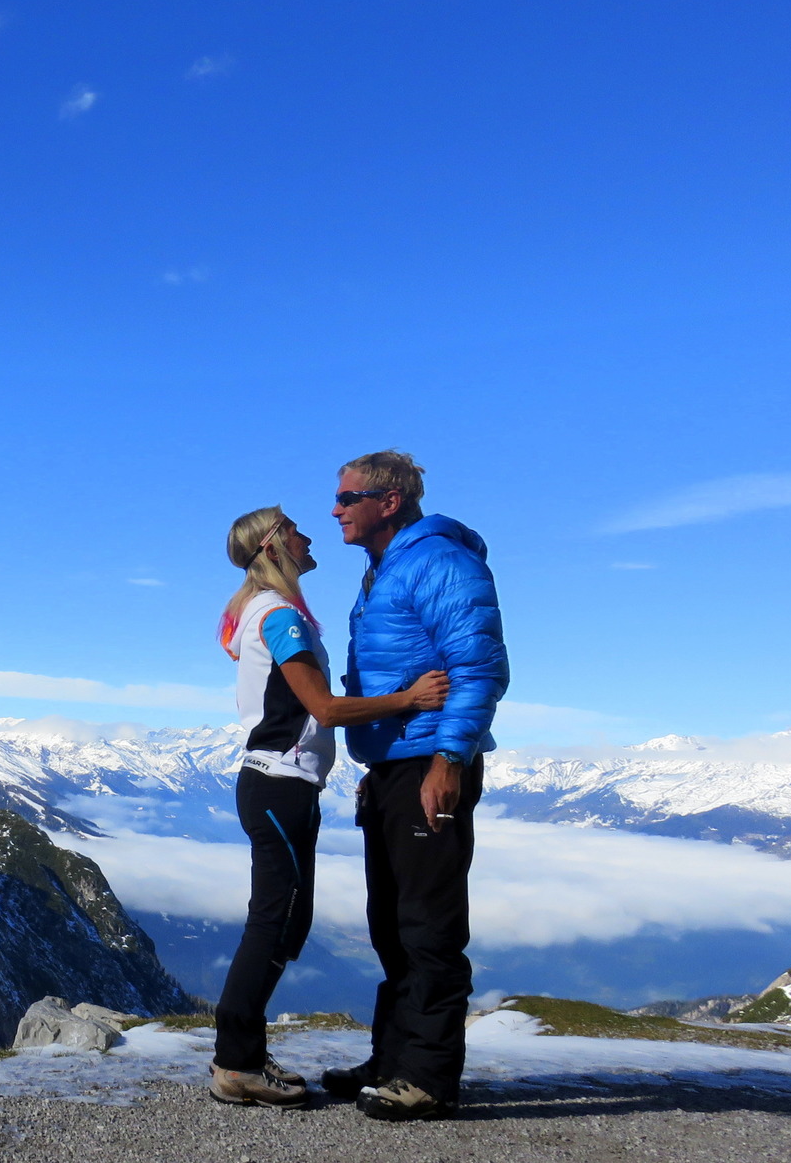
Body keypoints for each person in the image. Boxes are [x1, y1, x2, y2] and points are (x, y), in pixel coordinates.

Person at [208, 505, 450, 1109]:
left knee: (287, 924)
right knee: (273, 923)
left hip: (283, 787)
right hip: (280, 785)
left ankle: (241, 1055)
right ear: (274, 545)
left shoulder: (266, 611)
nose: (308, 533)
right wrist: (410, 699)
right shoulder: (282, 617)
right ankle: (235, 1062)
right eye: (293, 528)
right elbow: (326, 709)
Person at [321, 451, 509, 1122]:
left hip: (429, 763)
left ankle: (427, 1076)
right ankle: (393, 1059)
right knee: (391, 924)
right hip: (393, 768)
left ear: (389, 500)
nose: (336, 508)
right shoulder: (385, 570)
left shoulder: (438, 562)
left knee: (428, 924)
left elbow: (480, 664)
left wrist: (449, 760)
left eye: (347, 496)